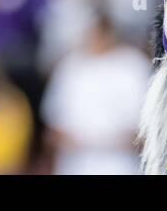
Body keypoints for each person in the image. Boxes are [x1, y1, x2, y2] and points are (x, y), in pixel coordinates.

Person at [41, 11, 151, 175]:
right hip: (75, 168)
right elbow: (52, 131)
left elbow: (147, 132)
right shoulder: (68, 67)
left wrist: (106, 142)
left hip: (123, 169)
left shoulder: (134, 65)